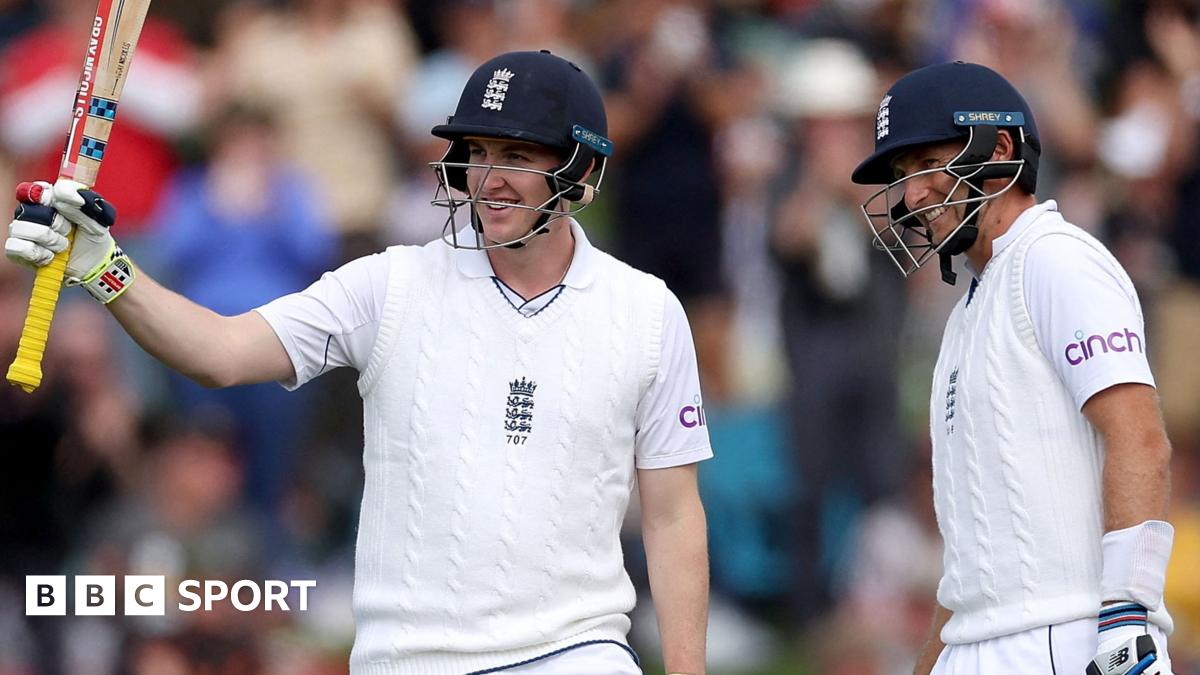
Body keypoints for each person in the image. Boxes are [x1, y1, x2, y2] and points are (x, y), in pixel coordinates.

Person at [5, 50, 712, 675]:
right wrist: (105, 265)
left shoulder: (646, 312)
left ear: (582, 170)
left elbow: (674, 515)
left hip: (575, 653)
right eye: (478, 152)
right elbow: (221, 352)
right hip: (410, 657)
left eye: (519, 157)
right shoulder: (389, 285)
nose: (490, 179)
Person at [850, 61, 1175, 674]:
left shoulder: (1057, 260)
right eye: (901, 176)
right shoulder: (965, 313)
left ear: (999, 148)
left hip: (1066, 632)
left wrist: (1127, 617)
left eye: (926, 163)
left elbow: (1140, 438)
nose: (912, 195)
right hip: (981, 641)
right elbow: (974, 565)